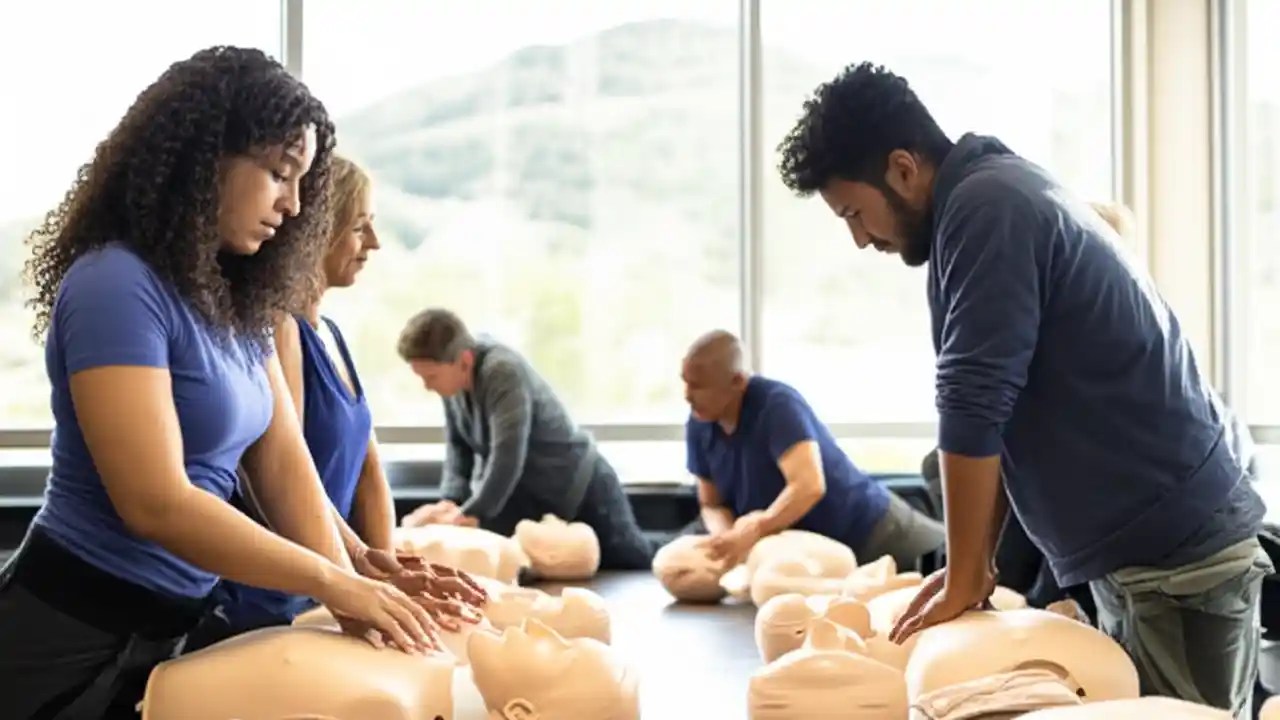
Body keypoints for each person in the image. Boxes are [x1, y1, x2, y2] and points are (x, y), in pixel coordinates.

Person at [775, 61, 1270, 717]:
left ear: (902, 168)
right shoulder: (990, 198)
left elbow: (972, 400)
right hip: (1145, 549)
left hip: (1174, 553)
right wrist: (973, 565)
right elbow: (1004, 415)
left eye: (855, 214)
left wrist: (966, 573)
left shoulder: (988, 210)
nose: (862, 239)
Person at [0, 47, 446, 719]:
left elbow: (282, 464)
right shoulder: (114, 283)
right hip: (66, 628)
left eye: (301, 181)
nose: (294, 204)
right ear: (205, 158)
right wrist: (334, 583)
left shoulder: (239, 304)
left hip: (168, 630)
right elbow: (155, 502)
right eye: (278, 173)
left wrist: (358, 581)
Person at [184, 156, 486, 653]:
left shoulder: (333, 336)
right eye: (360, 227)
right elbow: (285, 475)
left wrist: (384, 573)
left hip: (335, 587)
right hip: (278, 600)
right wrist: (353, 581)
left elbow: (368, 473)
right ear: (317, 233)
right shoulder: (278, 330)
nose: (375, 243)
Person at [397, 308, 656, 570]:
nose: (427, 386)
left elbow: (507, 455)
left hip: (582, 488)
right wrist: (450, 501)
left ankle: (684, 544)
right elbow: (458, 448)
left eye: (431, 377)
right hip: (536, 499)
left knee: (636, 558)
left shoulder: (502, 371)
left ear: (464, 361)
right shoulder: (452, 386)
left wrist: (472, 513)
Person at [681, 330, 945, 570]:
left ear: (738, 381)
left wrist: (756, 528)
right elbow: (711, 503)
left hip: (872, 529)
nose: (687, 395)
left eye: (698, 386)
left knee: (951, 564)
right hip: (814, 554)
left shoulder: (776, 405)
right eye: (685, 382)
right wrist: (726, 540)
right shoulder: (700, 422)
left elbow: (808, 486)